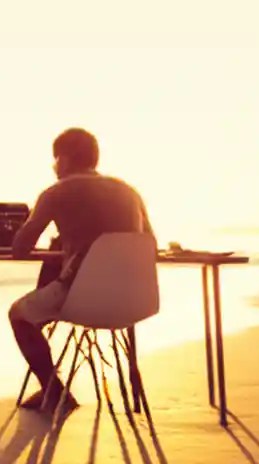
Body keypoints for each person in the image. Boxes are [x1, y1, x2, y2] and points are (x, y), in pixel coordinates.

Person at [8, 128, 153, 413]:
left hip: (82, 299)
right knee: (58, 257)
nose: (54, 166)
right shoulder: (129, 192)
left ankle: (53, 391)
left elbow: (20, 248)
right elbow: (150, 243)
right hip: (132, 301)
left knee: (18, 314)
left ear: (65, 159)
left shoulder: (56, 193)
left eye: (55, 159)